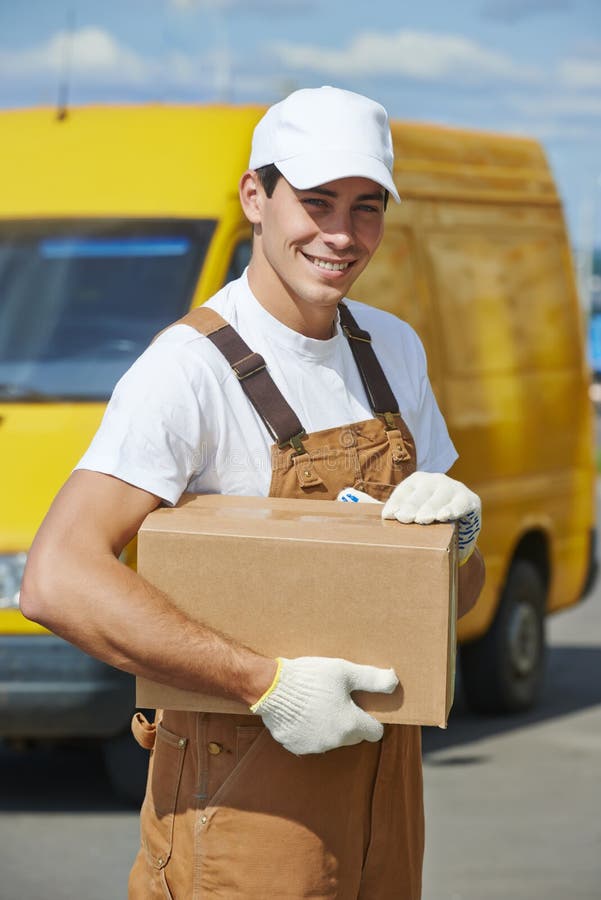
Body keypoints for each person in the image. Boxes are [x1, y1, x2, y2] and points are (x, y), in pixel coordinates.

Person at [21, 85, 485, 899]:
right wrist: (263, 685)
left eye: (365, 207)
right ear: (254, 198)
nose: (340, 235)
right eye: (314, 202)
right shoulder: (187, 368)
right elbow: (57, 577)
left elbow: (455, 599)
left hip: (386, 788)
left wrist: (460, 542)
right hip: (237, 796)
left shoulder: (392, 352)